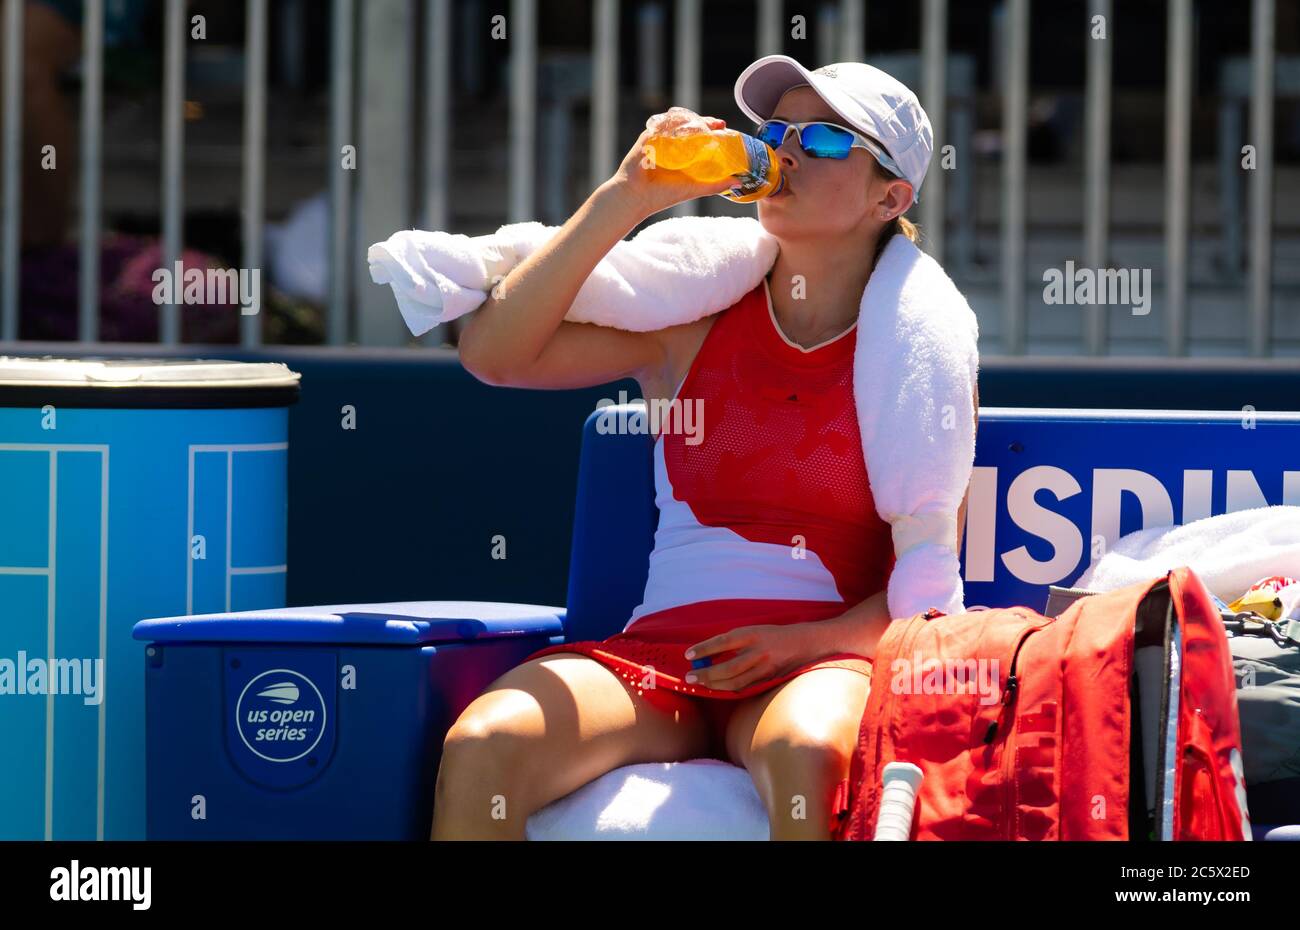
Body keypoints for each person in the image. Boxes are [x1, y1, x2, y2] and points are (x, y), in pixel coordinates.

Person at [433, 55, 978, 840]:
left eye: (823, 140)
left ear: (889, 196)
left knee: (805, 750)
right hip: (663, 660)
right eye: (776, 132)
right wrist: (629, 197)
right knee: (486, 744)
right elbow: (494, 353)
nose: (784, 151)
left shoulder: (921, 357)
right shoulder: (692, 324)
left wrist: (799, 643)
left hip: (818, 664)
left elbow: (919, 594)